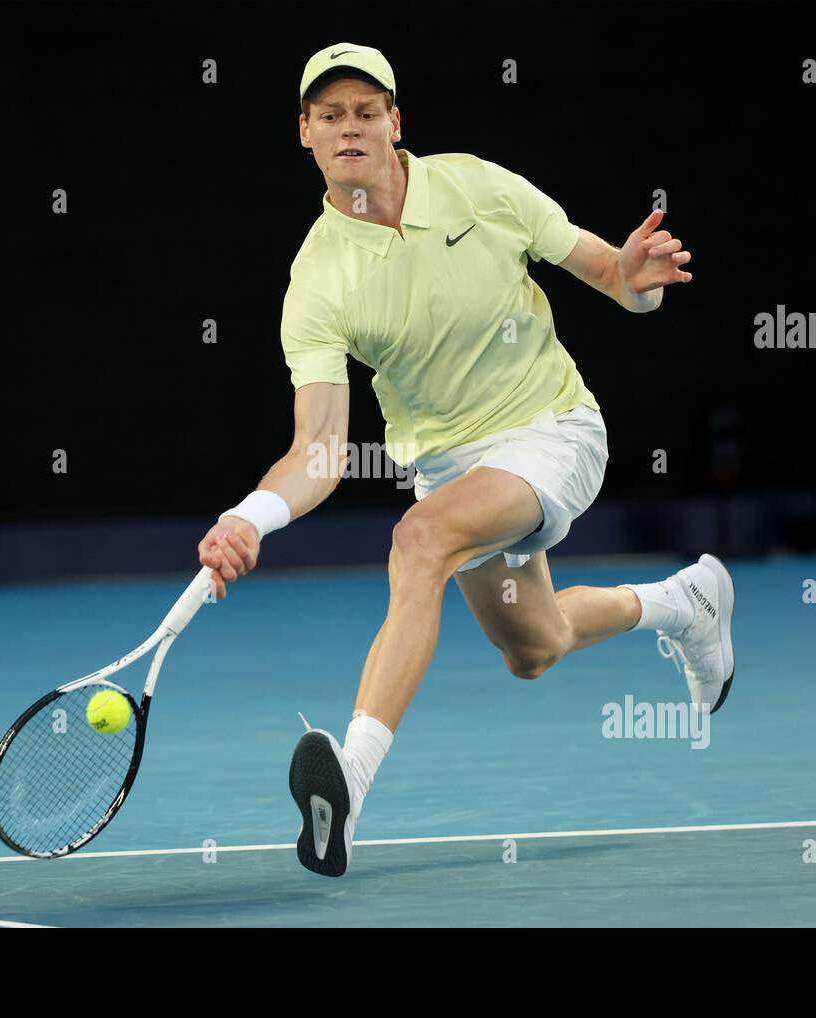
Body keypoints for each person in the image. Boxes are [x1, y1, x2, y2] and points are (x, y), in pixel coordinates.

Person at [197, 43, 736, 877]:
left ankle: (352, 780)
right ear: (305, 132)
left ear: (394, 123)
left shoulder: (478, 186)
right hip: (454, 468)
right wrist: (251, 514)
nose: (351, 128)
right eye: (331, 115)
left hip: (553, 430)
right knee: (536, 646)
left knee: (419, 542)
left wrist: (638, 280)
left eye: (367, 112)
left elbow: (610, 272)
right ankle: (684, 602)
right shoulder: (318, 279)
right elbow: (323, 448)